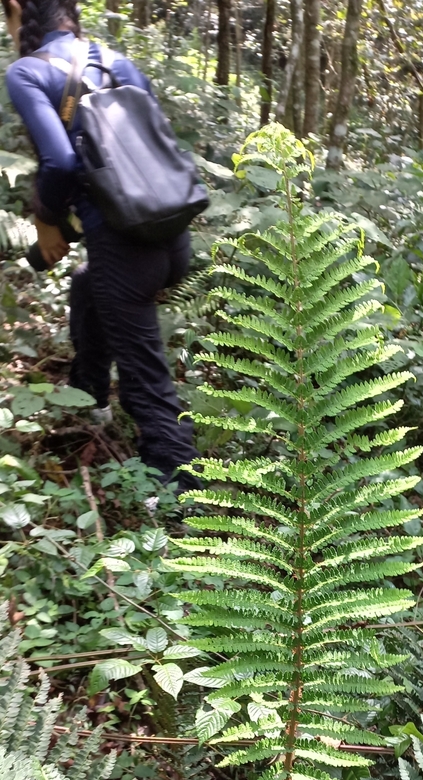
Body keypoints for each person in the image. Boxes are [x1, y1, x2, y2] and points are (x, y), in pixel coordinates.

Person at [2, 0, 199, 490]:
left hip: (126, 249)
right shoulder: (117, 61)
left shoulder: (27, 71)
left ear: (16, 11)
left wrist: (47, 220)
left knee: (145, 379)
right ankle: (91, 399)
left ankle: (179, 491)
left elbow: (62, 164)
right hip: (171, 237)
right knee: (88, 287)